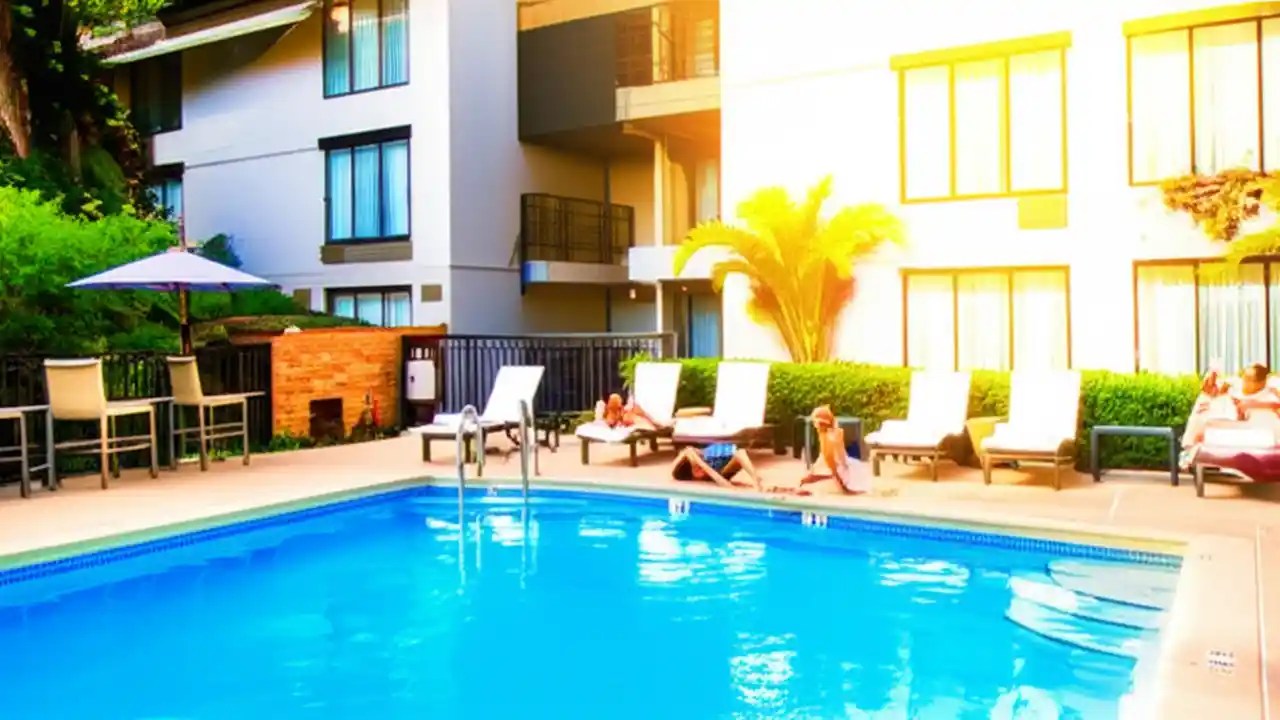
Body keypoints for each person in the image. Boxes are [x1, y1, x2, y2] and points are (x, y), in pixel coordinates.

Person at [792, 405, 871, 495]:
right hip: (836, 467)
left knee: (817, 483)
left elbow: (835, 460)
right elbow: (825, 458)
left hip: (840, 469)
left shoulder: (832, 436)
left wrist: (839, 478)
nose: (815, 425)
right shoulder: (827, 433)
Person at [671, 442, 762, 489]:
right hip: (719, 473)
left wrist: (690, 454)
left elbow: (687, 451)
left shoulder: (705, 456)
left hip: (720, 464)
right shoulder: (703, 468)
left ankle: (757, 480)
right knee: (740, 453)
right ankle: (757, 482)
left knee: (740, 452)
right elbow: (727, 486)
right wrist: (700, 463)